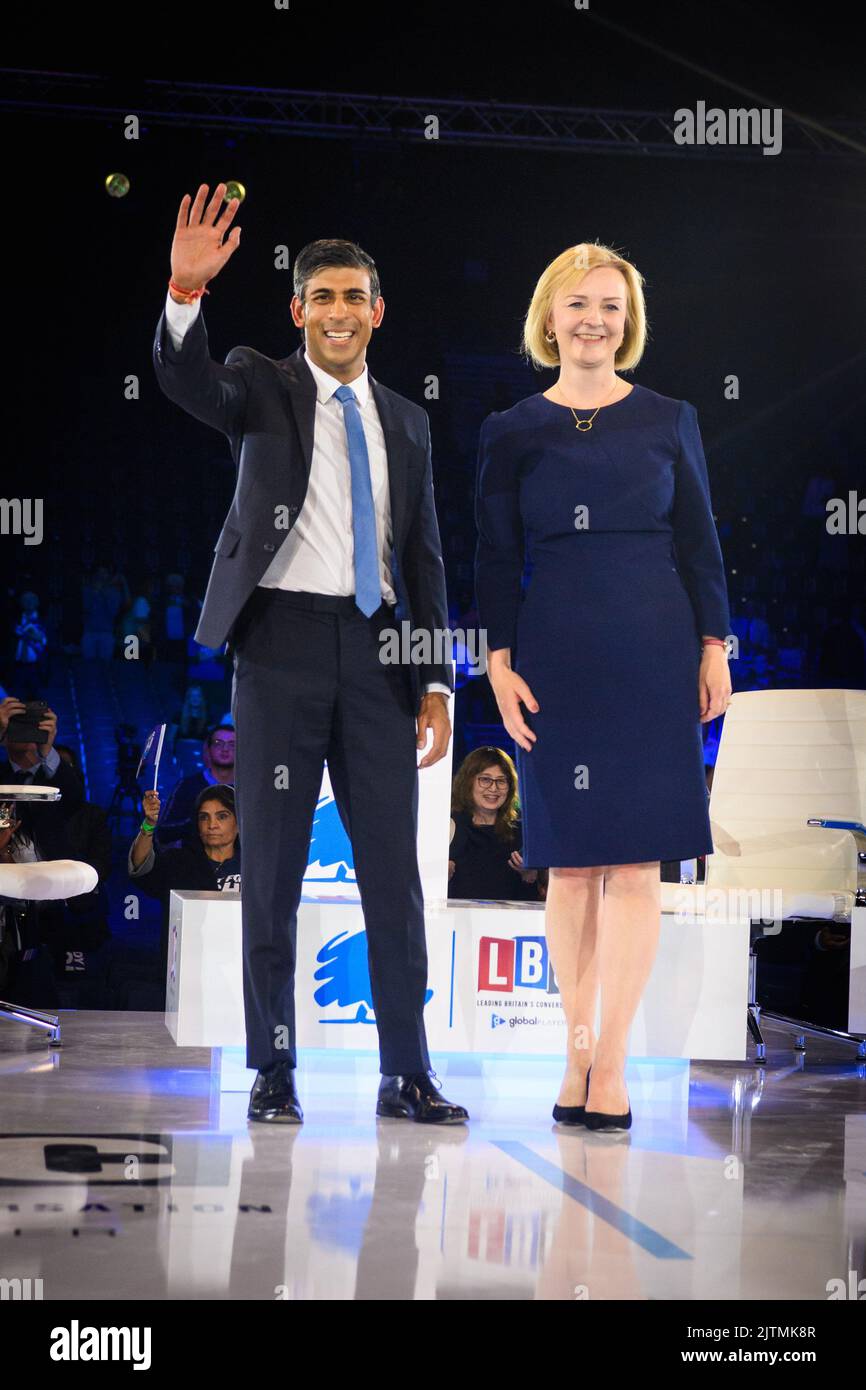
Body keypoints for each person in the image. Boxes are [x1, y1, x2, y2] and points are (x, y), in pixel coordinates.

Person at [152, 183, 467, 1125]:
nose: (337, 312)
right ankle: (273, 1071)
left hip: (379, 658)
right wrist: (183, 294)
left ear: (378, 311)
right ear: (298, 311)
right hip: (280, 648)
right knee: (277, 870)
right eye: (320, 297)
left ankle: (405, 1072)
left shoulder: (407, 422)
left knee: (392, 878)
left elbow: (425, 559)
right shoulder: (257, 380)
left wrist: (438, 677)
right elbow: (185, 379)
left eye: (353, 297)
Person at [475, 242, 732, 1131]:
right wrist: (497, 663)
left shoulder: (671, 418)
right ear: (550, 317)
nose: (594, 320)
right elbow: (496, 556)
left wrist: (715, 645)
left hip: (653, 651)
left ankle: (611, 1065)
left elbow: (701, 544)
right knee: (570, 865)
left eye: (611, 307)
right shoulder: (511, 428)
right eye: (578, 304)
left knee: (633, 865)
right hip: (554, 657)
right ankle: (574, 1052)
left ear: (631, 323)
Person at [128, 783, 241, 1000]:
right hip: (188, 976)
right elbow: (141, 869)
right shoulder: (179, 862)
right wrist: (149, 825)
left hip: (239, 970)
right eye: (204, 817)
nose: (212, 825)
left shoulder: (255, 868)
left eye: (222, 816)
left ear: (238, 822)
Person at [448, 747, 538, 901]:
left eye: (501, 781)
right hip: (459, 922)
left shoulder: (525, 831)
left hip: (513, 923)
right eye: (485, 779)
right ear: (468, 782)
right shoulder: (448, 825)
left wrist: (529, 875)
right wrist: (442, 877)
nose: (493, 788)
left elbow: (543, 890)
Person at [154, 723, 236, 850]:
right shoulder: (188, 786)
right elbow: (163, 834)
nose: (225, 749)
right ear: (208, 750)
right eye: (218, 743)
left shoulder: (249, 790)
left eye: (232, 744)